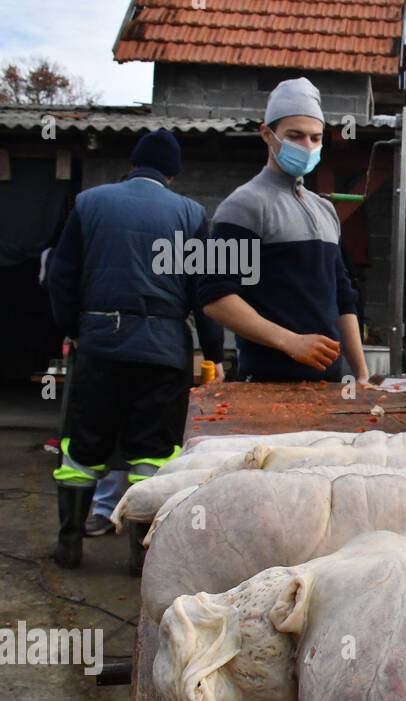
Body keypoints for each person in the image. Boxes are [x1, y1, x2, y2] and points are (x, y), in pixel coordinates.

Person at [45, 129, 224, 571]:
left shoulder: (88, 203)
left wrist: (76, 329)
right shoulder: (191, 213)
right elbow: (206, 290)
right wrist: (213, 352)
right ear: (172, 172)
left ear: (133, 164)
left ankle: (69, 542)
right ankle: (141, 556)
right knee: (152, 453)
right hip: (163, 353)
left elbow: (60, 277)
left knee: (83, 447)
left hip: (99, 346)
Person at [197, 77, 370, 384]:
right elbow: (215, 296)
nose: (307, 147)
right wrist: (290, 341)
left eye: (315, 138)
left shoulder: (325, 210)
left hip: (328, 384)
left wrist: (362, 374)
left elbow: (344, 299)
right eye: (295, 136)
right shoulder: (243, 206)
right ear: (267, 134)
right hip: (266, 382)